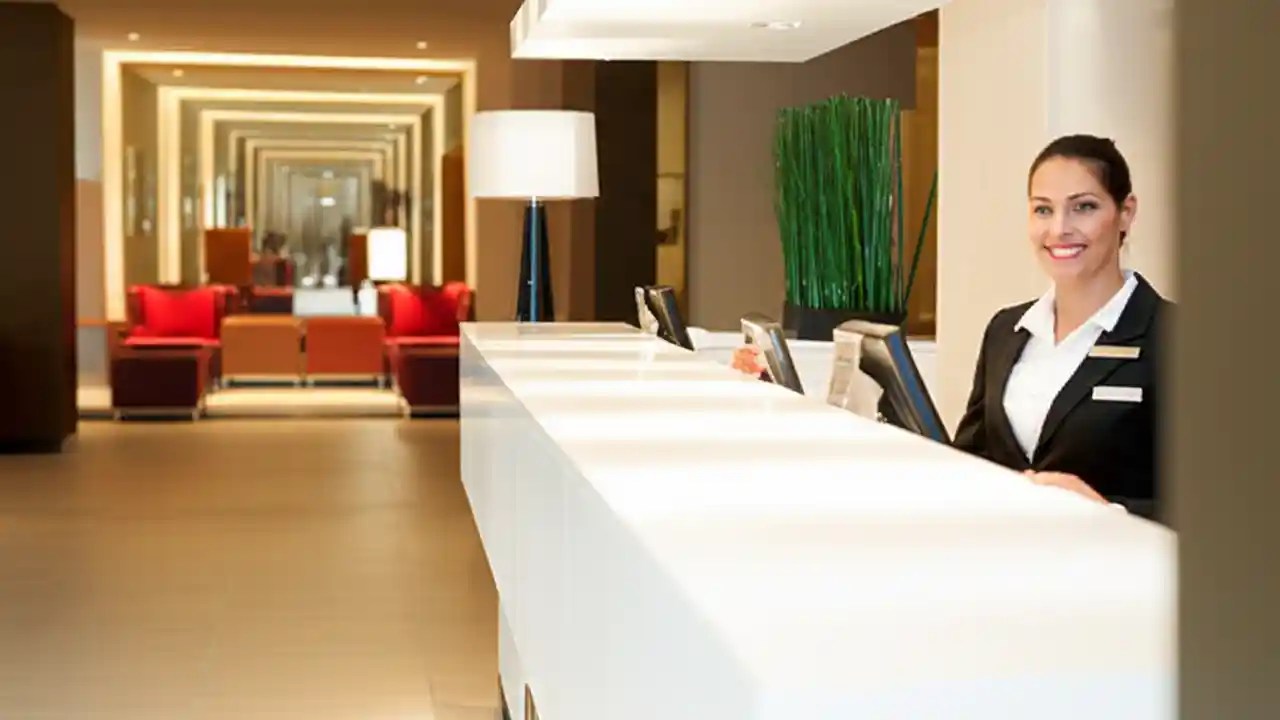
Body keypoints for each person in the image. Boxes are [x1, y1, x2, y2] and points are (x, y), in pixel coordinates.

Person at [734, 135, 1170, 519]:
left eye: (1084, 207)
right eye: (1043, 210)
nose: (1059, 229)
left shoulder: (1175, 337)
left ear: (1126, 213)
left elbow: (1224, 503)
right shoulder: (1008, 331)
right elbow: (970, 464)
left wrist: (1108, 511)